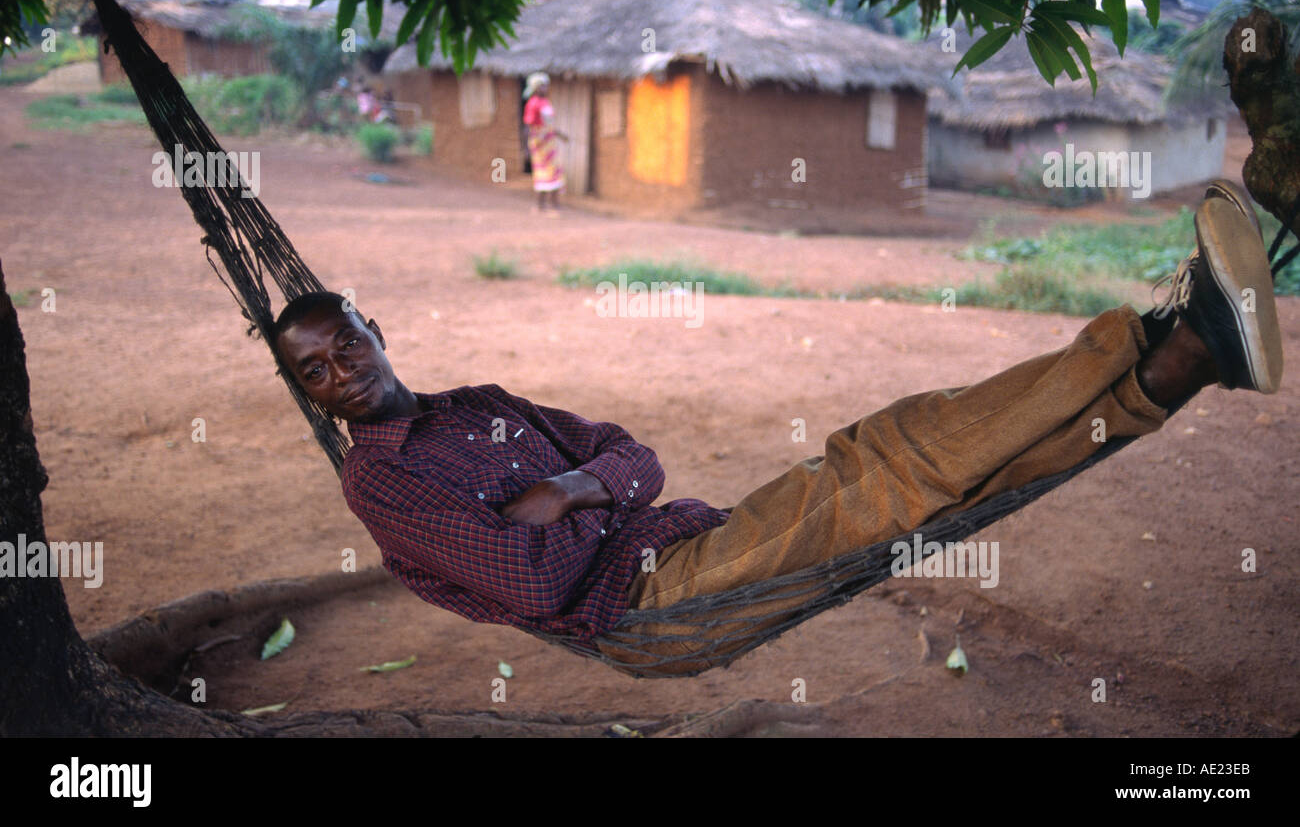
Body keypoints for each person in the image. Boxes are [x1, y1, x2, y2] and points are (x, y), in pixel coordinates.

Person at [271, 180, 1283, 675]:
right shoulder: (380, 483)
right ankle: (1158, 334)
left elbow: (638, 457)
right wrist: (598, 497)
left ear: (376, 328)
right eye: (312, 372)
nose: (339, 374)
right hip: (653, 604)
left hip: (689, 540)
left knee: (891, 449)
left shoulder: (476, 405)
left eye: (345, 344)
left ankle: (1180, 362)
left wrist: (570, 491)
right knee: (904, 476)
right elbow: (538, 582)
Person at [521, 72, 567, 214]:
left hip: (549, 142)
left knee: (554, 173)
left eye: (546, 86)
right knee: (544, 173)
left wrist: (560, 135)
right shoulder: (532, 104)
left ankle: (551, 204)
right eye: (542, 86)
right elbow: (528, 126)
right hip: (539, 143)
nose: (545, 88)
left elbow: (549, 125)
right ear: (535, 88)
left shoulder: (546, 102)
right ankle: (544, 205)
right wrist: (525, 148)